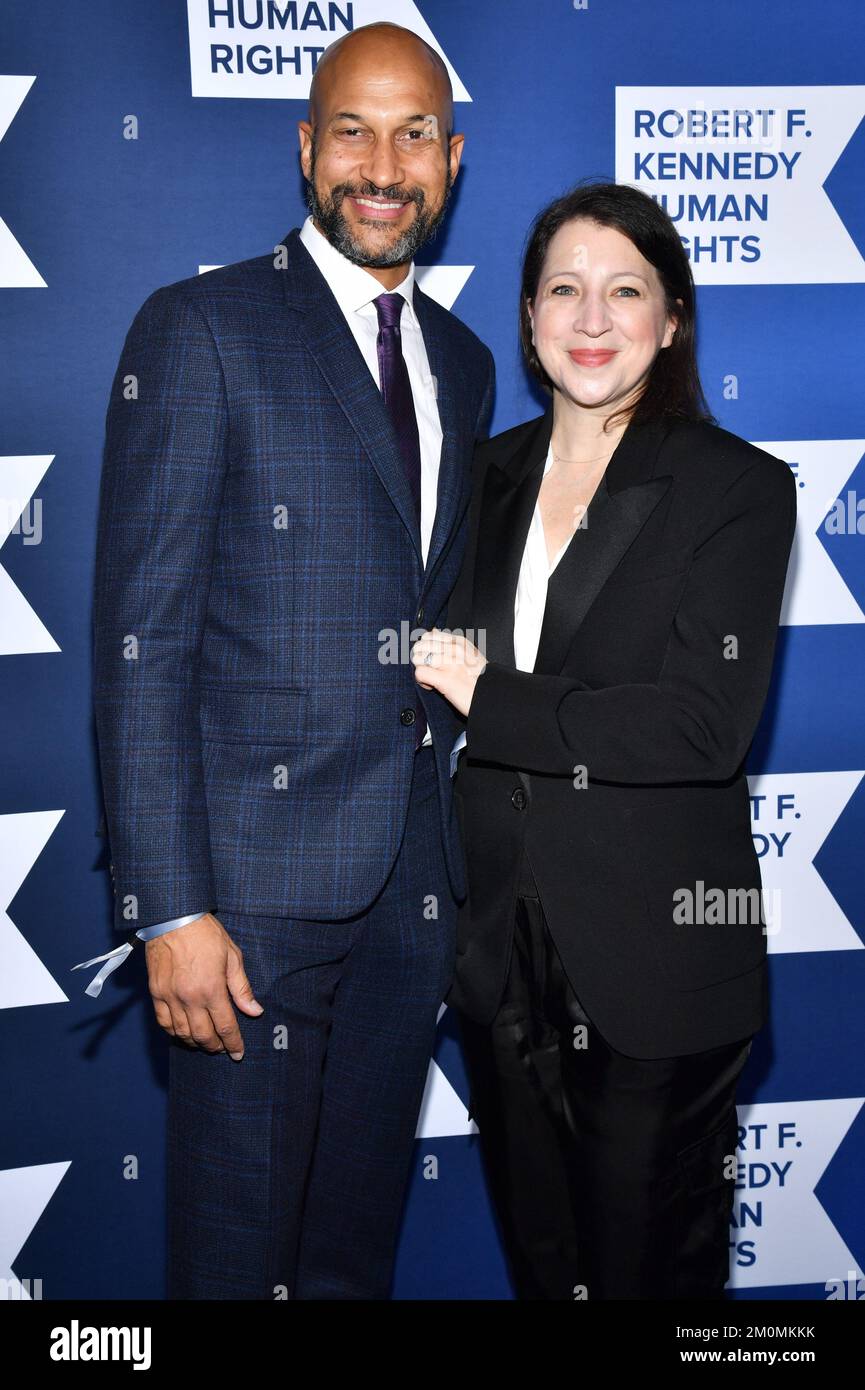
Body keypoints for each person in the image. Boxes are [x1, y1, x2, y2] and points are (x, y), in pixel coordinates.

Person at [87, 21, 494, 1299]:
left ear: (452, 157)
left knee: (345, 1258)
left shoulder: (470, 366)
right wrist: (171, 905)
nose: (384, 165)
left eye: (414, 132)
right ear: (306, 148)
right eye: (355, 131)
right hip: (245, 911)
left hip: (408, 898)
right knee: (235, 1256)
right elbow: (139, 641)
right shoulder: (201, 328)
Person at [411, 181, 797, 1300]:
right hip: (496, 961)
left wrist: (493, 695)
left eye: (623, 290)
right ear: (527, 320)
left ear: (671, 317)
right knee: (547, 1271)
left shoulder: (737, 489)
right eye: (563, 291)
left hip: (654, 962)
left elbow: (700, 723)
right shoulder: (474, 480)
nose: (591, 320)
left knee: (647, 1282)